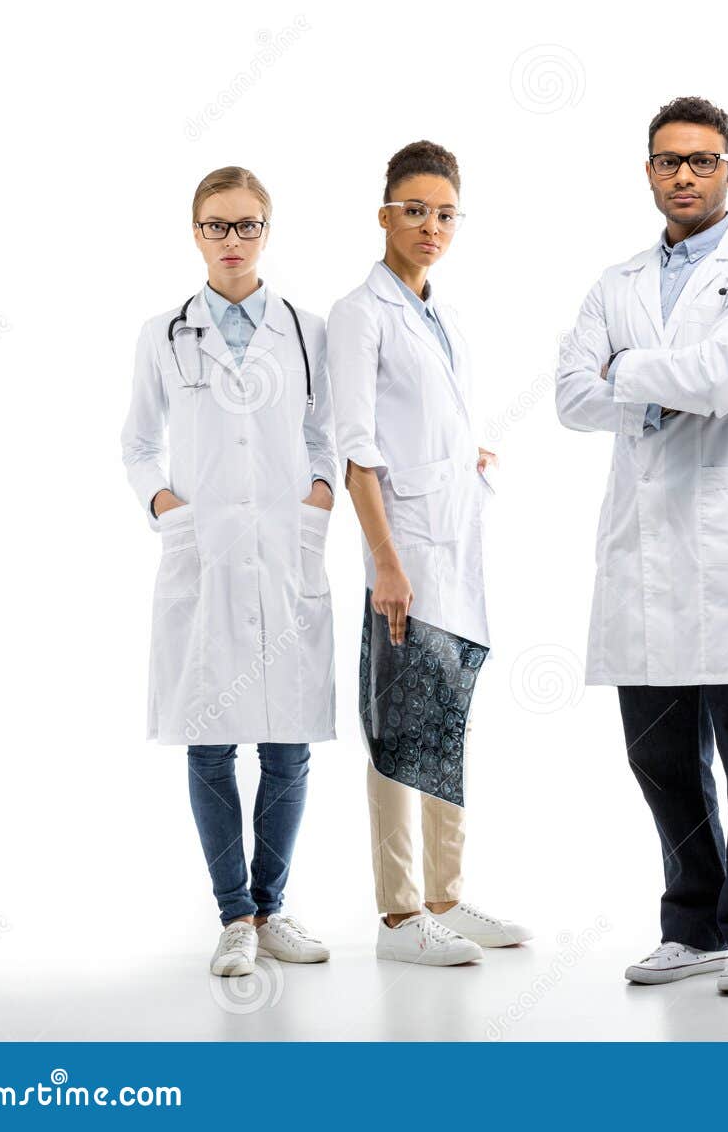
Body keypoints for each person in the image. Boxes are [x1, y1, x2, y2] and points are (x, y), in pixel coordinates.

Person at [555, 97, 728, 994]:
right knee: (658, 753)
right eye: (669, 161)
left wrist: (625, 375)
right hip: (643, 550)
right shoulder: (613, 283)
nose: (685, 175)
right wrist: (661, 388)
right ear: (649, 172)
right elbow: (567, 396)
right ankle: (693, 921)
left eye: (703, 160)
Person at [121, 166, 336, 977]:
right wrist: (169, 510)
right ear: (195, 232)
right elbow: (137, 443)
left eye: (247, 225)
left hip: (286, 552)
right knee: (211, 743)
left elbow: (330, 432)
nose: (233, 240)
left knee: (287, 745)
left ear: (268, 231)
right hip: (203, 555)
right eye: (217, 225)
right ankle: (234, 915)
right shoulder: (162, 333)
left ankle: (273, 907)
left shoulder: (309, 330)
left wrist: (317, 498)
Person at [328, 140, 532, 967]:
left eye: (445, 213)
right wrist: (384, 557)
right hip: (405, 552)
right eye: (415, 210)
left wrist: (463, 459)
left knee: (449, 721)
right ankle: (399, 912)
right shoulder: (359, 312)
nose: (431, 225)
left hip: (454, 545)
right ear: (384, 215)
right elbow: (355, 448)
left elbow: (425, 424)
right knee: (399, 726)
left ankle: (446, 895)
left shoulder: (438, 313)